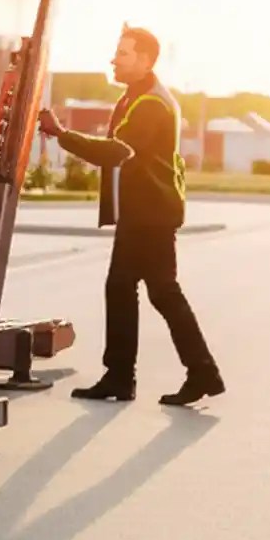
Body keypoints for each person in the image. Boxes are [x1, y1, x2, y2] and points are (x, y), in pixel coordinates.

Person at [37, 26, 225, 406]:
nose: (114, 59)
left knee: (160, 292)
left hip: (150, 215)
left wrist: (62, 134)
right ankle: (125, 376)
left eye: (123, 53)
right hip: (143, 212)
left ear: (145, 60)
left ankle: (194, 372)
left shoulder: (151, 104)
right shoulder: (138, 97)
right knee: (125, 288)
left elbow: (116, 151)